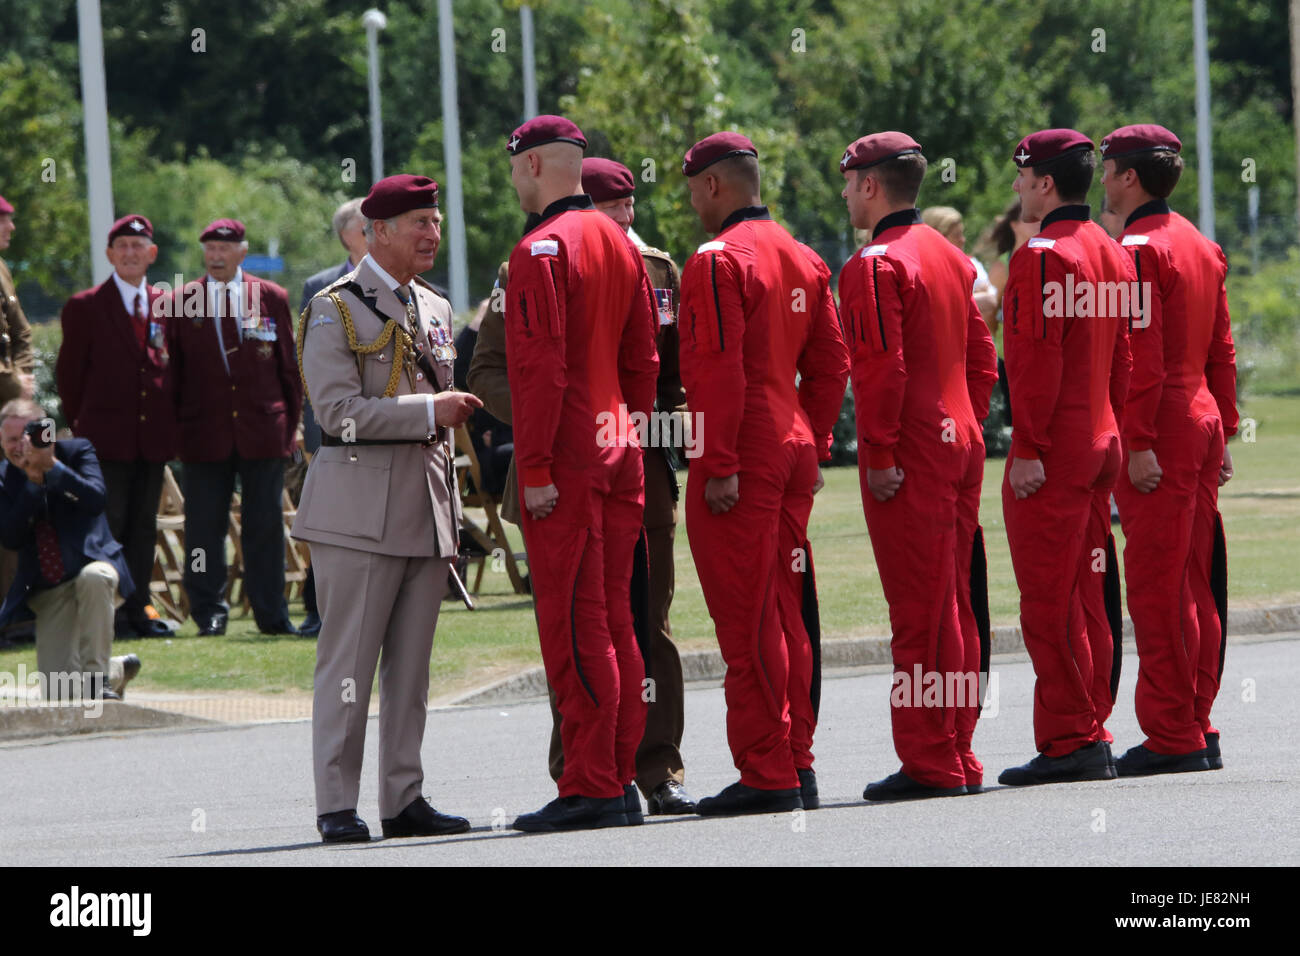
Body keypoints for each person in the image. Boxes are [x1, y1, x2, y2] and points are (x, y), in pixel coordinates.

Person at [294, 173, 481, 843]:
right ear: (377, 232)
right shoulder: (334, 307)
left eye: (436, 222)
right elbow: (336, 414)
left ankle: (404, 799)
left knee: (411, 670)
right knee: (347, 667)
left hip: (423, 512)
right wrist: (428, 410)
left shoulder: (434, 305)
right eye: (419, 223)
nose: (433, 234)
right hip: (357, 516)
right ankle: (336, 804)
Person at [678, 131, 849, 815]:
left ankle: (767, 769)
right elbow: (832, 364)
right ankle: (795, 758)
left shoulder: (717, 260)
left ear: (713, 185)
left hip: (743, 449)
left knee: (749, 621)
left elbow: (715, 371)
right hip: (791, 441)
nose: (693, 206)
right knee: (785, 613)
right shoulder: (806, 256)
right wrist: (815, 435)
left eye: (693, 193)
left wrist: (718, 462)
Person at [503, 115, 659, 832]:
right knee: (617, 619)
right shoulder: (619, 242)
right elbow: (642, 358)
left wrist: (535, 465)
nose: (514, 181)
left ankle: (592, 782)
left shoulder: (540, 249)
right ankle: (616, 777)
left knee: (574, 623)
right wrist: (633, 433)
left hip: (569, 455)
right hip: (619, 443)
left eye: (515, 167)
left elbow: (539, 371)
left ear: (534, 165)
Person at [839, 133, 999, 800]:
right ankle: (956, 748)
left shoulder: (874, 264)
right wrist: (967, 420)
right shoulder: (949, 255)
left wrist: (878, 454)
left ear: (870, 185)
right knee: (953, 602)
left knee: (919, 611)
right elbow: (983, 356)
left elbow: (882, 370)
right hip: (957, 436)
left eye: (849, 182)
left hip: (914, 447)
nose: (845, 194)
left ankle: (932, 759)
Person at [1101, 123, 1238, 775]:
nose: (1102, 182)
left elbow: (1143, 358)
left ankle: (1172, 733)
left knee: (1159, 587)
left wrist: (1139, 441)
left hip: (1162, 425)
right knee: (1195, 582)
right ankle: (1197, 721)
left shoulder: (1136, 250)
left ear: (1129, 177)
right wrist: (1226, 429)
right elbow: (1222, 348)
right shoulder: (1201, 244)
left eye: (1107, 170)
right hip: (1201, 416)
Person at [997, 129, 1133, 787]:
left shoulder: (1043, 256)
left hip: (1055, 451)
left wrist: (1028, 447)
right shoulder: (1110, 249)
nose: (1017, 187)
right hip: (1099, 439)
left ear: (1045, 183)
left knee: (1050, 602)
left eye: (1023, 176)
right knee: (1088, 596)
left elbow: (1033, 362)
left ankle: (1071, 738)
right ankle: (1090, 726)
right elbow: (1124, 358)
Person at [166, 219, 303, 636]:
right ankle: (208, 611)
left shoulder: (271, 296)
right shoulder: (183, 300)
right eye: (209, 249)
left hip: (263, 429)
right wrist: (175, 432)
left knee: (265, 526)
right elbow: (172, 373)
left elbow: (288, 367)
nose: (216, 257)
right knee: (203, 530)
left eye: (224, 249)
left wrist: (292, 424)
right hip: (203, 433)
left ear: (242, 252)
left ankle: (271, 613)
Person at [56, 214, 177, 639]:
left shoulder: (166, 304)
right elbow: (69, 378)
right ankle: (109, 615)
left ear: (152, 254)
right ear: (109, 254)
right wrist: (86, 428)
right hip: (105, 441)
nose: (130, 253)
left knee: (143, 528)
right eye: (121, 246)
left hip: (152, 440)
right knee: (108, 528)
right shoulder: (85, 306)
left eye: (137, 246)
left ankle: (138, 609)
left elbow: (172, 369)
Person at [0, 399, 135, 701]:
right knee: (60, 695)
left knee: (95, 577)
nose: (20, 446)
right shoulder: (4, 478)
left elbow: (96, 500)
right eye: (11, 440)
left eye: (27, 436)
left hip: (92, 567)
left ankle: (98, 681)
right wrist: (33, 485)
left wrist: (53, 469)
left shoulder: (77, 452)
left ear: (45, 433)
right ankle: (116, 670)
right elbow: (10, 537)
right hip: (50, 589)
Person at [292, 198, 368, 637]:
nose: (374, 229)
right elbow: (308, 361)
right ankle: (317, 607)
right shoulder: (319, 286)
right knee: (327, 520)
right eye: (364, 224)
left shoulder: (406, 283)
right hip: (331, 426)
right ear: (346, 235)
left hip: (382, 424)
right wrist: (310, 425)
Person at [0, 194, 37, 629]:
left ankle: (13, 611)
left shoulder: (3, 268)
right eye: (3, 221)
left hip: (7, 413)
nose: (11, 228)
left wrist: (22, 378)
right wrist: (13, 383)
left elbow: (22, 333)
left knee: (14, 506)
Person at [921, 205, 999, 324]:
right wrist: (971, 296)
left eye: (962, 234)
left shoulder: (971, 263)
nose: (963, 240)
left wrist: (960, 300)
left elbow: (991, 300)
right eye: (957, 235)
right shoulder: (922, 268)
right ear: (939, 237)